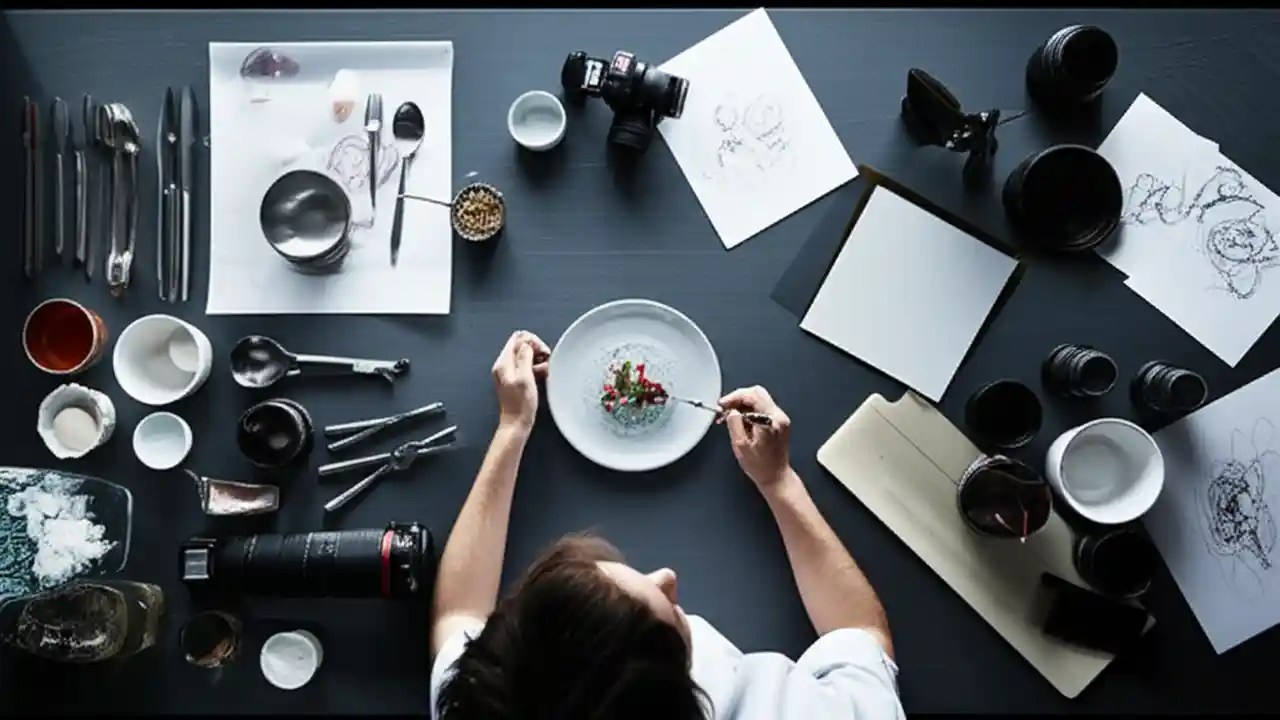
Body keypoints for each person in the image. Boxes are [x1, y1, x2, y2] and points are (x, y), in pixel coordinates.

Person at [430, 330, 904, 720]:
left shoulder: (487, 698)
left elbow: (458, 615)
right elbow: (861, 635)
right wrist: (779, 481)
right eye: (668, 615)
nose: (667, 578)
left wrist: (513, 426)